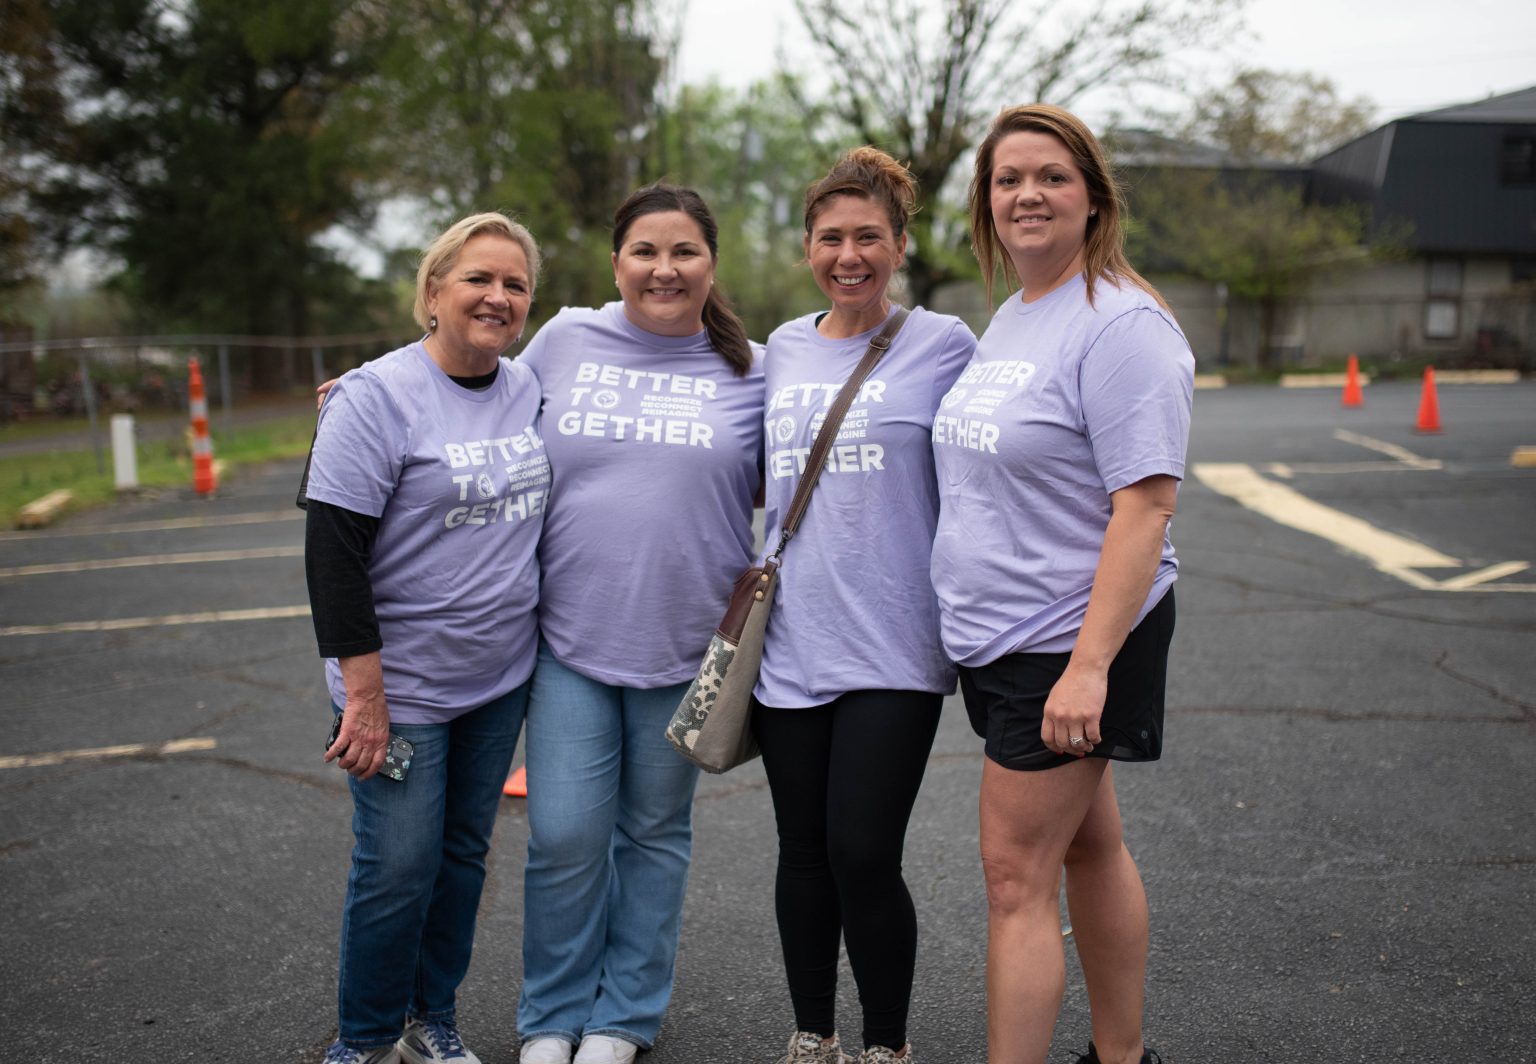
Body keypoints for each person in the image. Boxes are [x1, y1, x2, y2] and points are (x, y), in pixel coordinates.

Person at [929, 104, 1195, 1064]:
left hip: (1068, 641)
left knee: (1013, 877)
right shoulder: (1016, 313)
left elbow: (1146, 508)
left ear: (1092, 198)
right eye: (1008, 180)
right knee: (1085, 847)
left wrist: (1089, 670)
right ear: (987, 203)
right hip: (1004, 636)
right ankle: (1122, 1057)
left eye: (1050, 177)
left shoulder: (1122, 325)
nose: (1027, 195)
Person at [514, 184, 764, 1064]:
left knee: (654, 836)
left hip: (694, 652)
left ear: (712, 263)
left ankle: (623, 1017)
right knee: (565, 835)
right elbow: (459, 380)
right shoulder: (565, 340)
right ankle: (551, 1014)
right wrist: (363, 389)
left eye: (685, 251)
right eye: (645, 252)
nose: (665, 269)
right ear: (615, 261)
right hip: (569, 642)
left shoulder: (754, 369)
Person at [305, 213, 550, 1064]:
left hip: (497, 677)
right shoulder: (375, 397)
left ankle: (428, 1020)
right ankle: (365, 1038)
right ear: (434, 291)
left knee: (459, 861)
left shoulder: (526, 386)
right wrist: (364, 699)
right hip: (398, 691)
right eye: (479, 278)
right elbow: (333, 560)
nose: (498, 296)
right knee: (396, 869)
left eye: (515, 284)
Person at [751, 147, 978, 1064]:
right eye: (832, 237)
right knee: (801, 854)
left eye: (869, 237)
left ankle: (886, 1044)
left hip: (894, 645)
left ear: (900, 244)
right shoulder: (778, 350)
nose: (850, 254)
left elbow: (1024, 415)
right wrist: (377, 386)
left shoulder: (946, 344)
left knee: (861, 853)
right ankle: (813, 1035)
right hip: (788, 646)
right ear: (808, 245)